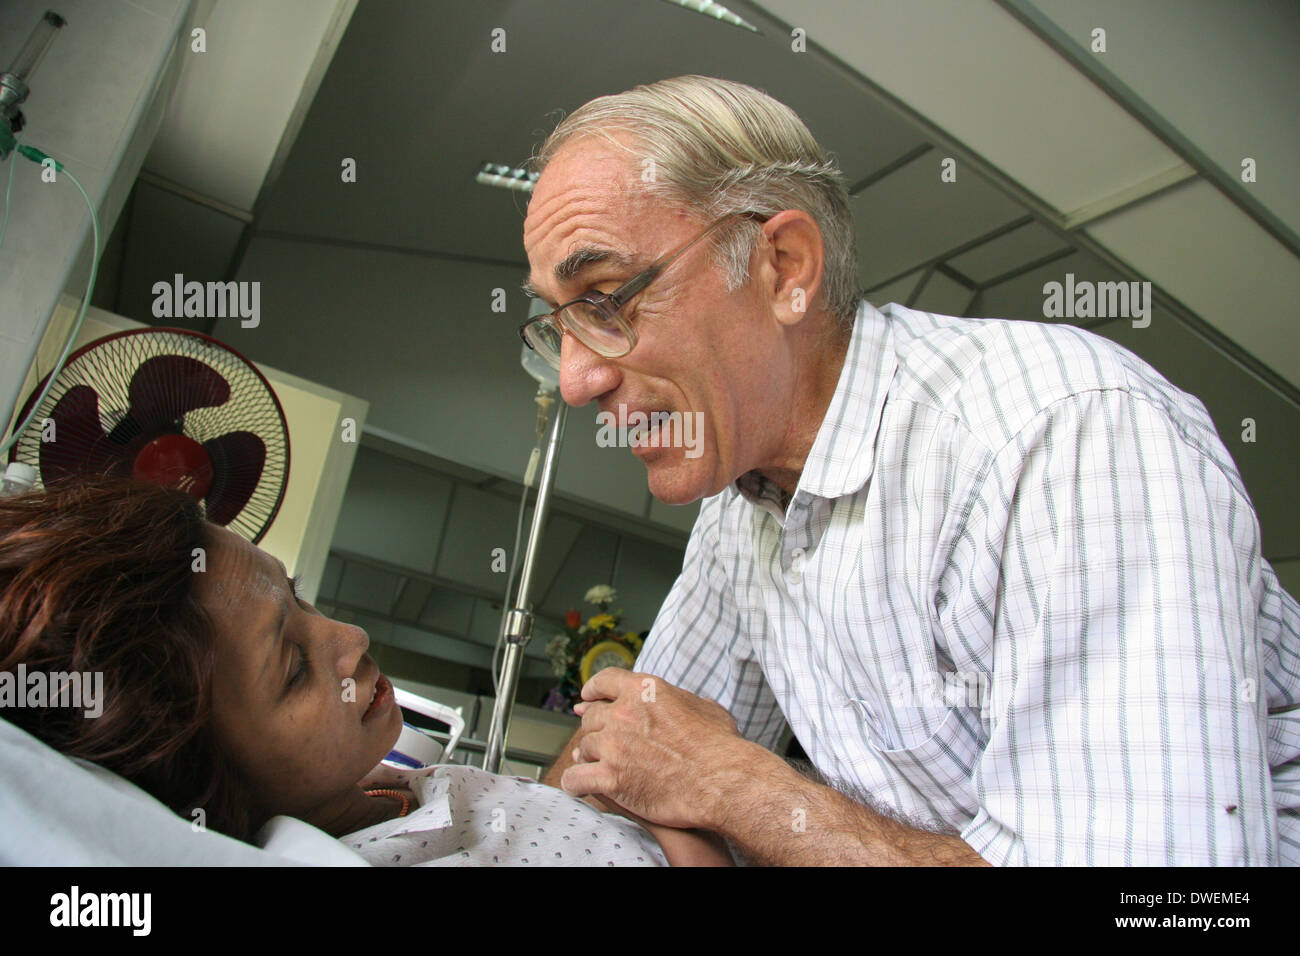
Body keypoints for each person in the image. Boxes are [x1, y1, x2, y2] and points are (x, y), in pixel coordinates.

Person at [519, 75, 1300, 865]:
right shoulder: (742, 513)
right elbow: (628, 762)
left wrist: (740, 790)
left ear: (784, 268)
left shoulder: (1062, 437)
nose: (576, 380)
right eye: (559, 324)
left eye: (608, 299)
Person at [0, 477, 732, 866]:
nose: (348, 638)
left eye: (298, 596)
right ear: (208, 784)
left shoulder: (392, 795)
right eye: (293, 668)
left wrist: (610, 779)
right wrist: (694, 805)